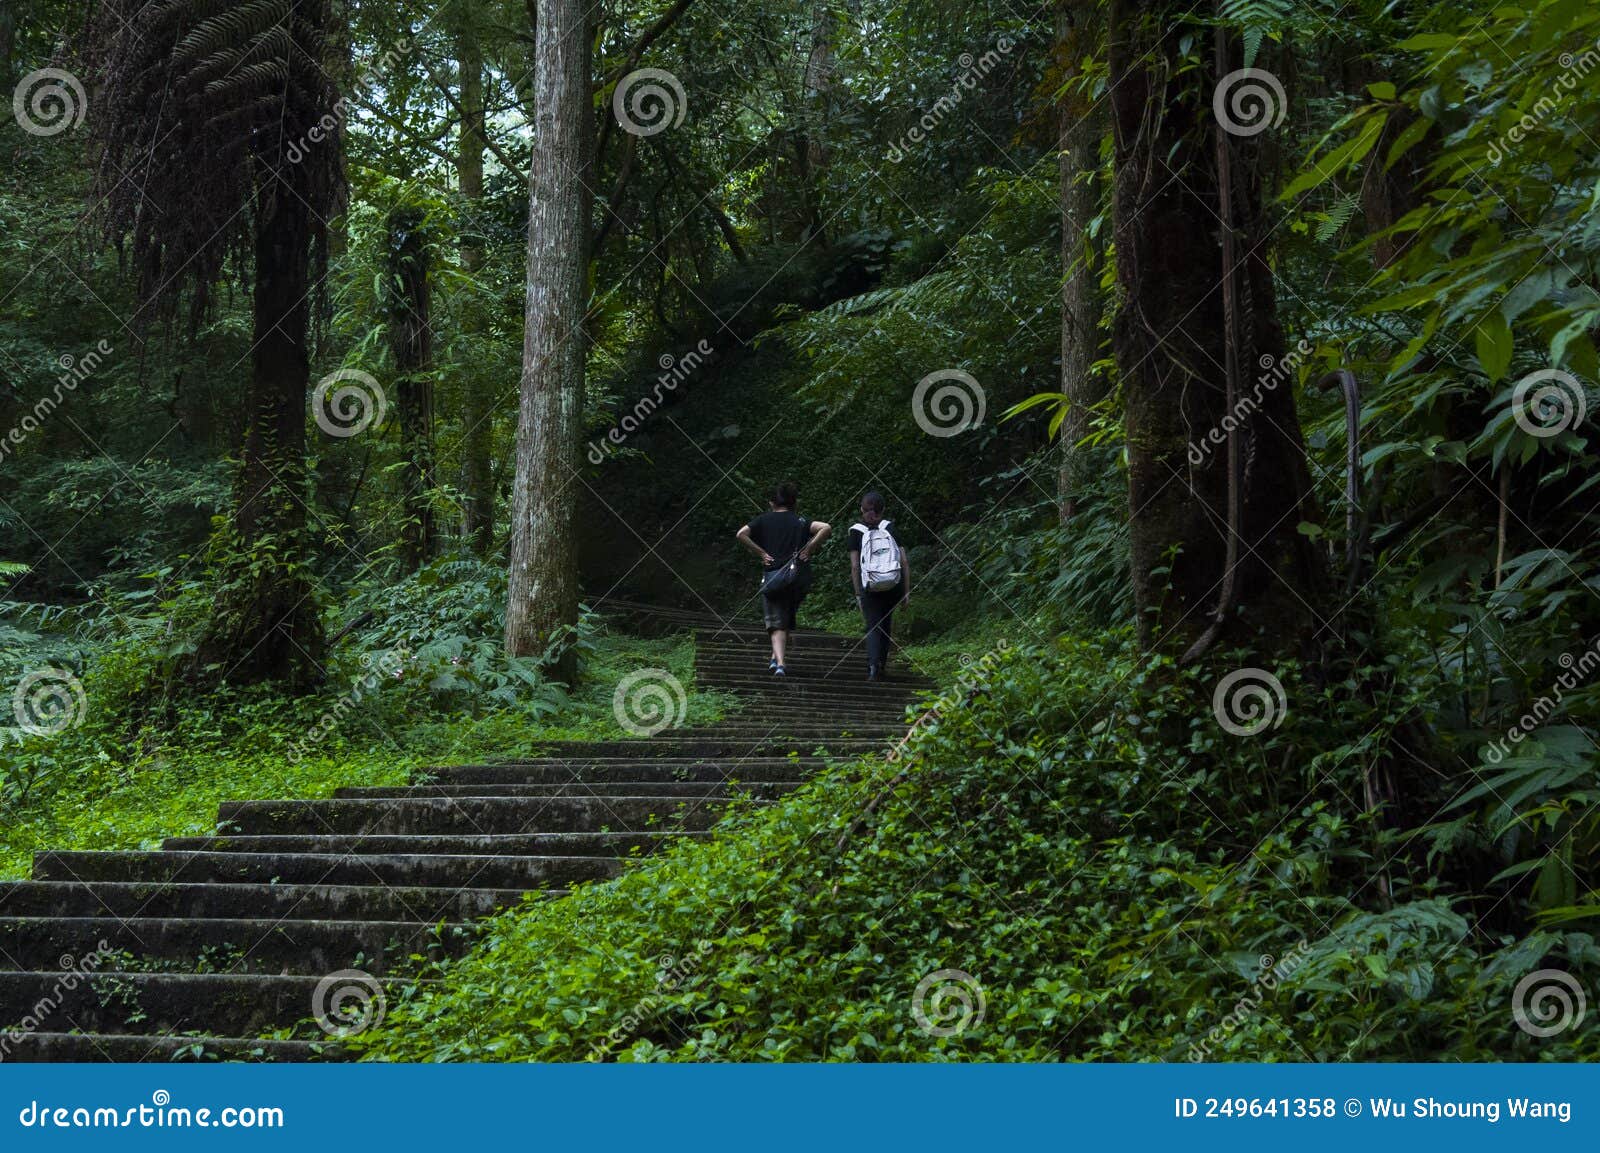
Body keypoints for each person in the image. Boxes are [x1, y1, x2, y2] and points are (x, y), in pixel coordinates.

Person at [736, 481, 831, 676]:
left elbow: (741, 534)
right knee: (785, 618)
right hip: (797, 578)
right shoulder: (801, 521)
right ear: (793, 502)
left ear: (772, 502)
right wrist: (810, 548)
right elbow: (826, 528)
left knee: (776, 622)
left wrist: (761, 553)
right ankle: (774, 657)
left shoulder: (763, 520)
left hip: (774, 575)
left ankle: (780, 663)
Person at [848, 492, 909, 681]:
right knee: (886, 622)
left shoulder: (855, 531)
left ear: (861, 509)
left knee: (873, 625)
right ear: (883, 510)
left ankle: (873, 668)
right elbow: (904, 562)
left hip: (870, 585)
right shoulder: (889, 527)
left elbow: (855, 566)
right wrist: (906, 591)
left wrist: (858, 593)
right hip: (893, 583)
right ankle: (882, 664)